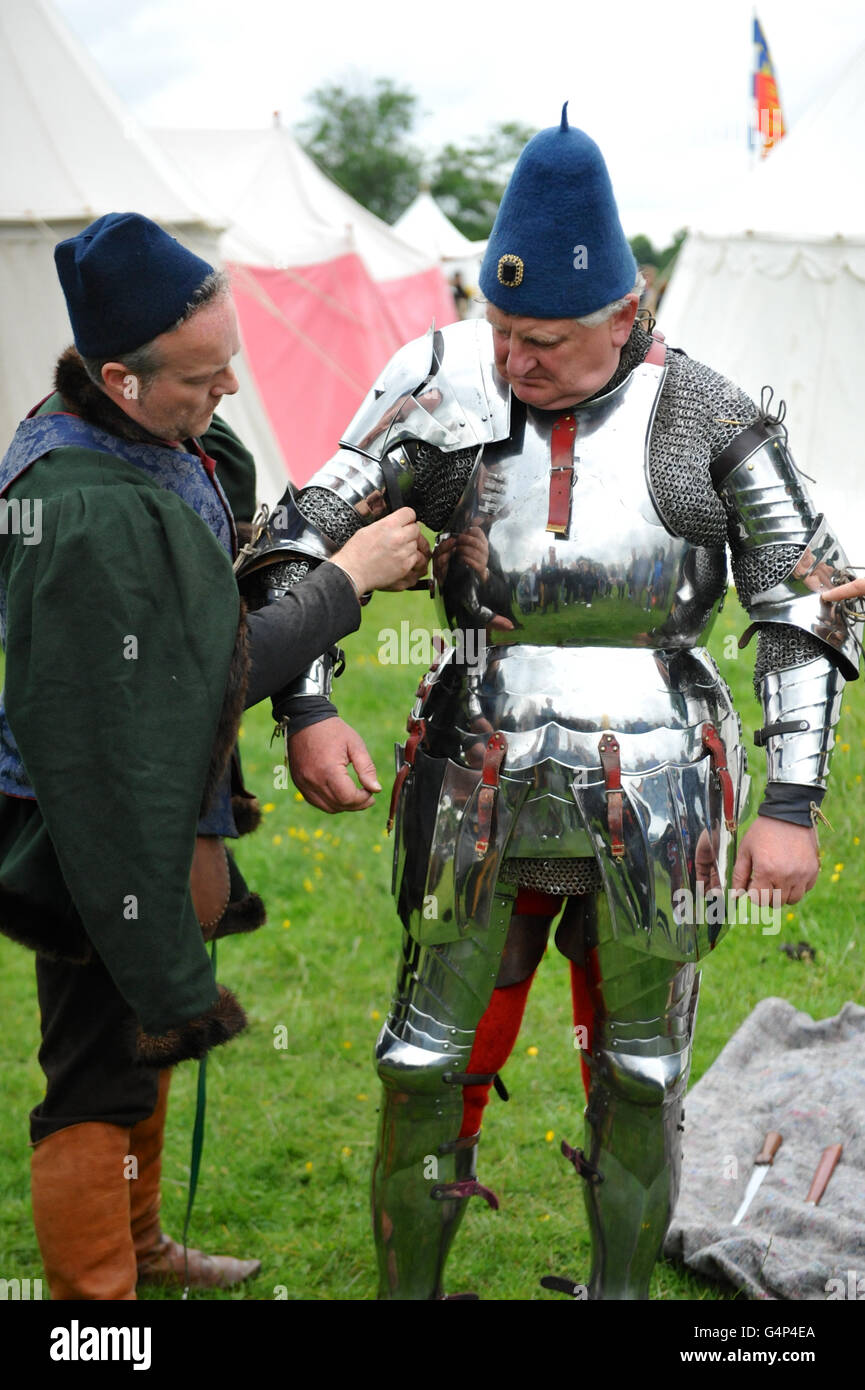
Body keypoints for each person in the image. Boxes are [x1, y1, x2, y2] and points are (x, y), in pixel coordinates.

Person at [237, 110, 859, 1300]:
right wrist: (308, 705)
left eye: (546, 341)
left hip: (661, 777)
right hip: (472, 760)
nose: (515, 361)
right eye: (501, 329)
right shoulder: (439, 383)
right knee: (422, 1060)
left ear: (627, 315)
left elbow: (809, 601)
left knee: (638, 1071)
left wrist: (789, 800)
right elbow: (297, 535)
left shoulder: (706, 414)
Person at [0, 212, 426, 1301]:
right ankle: (97, 1310)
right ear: (118, 377)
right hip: (87, 819)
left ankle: (139, 1248)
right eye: (202, 374)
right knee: (93, 1066)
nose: (228, 388)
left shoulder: (157, 441)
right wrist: (346, 579)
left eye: (228, 357)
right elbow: (201, 670)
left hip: (152, 797)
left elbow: (202, 619)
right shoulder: (79, 503)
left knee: (146, 1032)